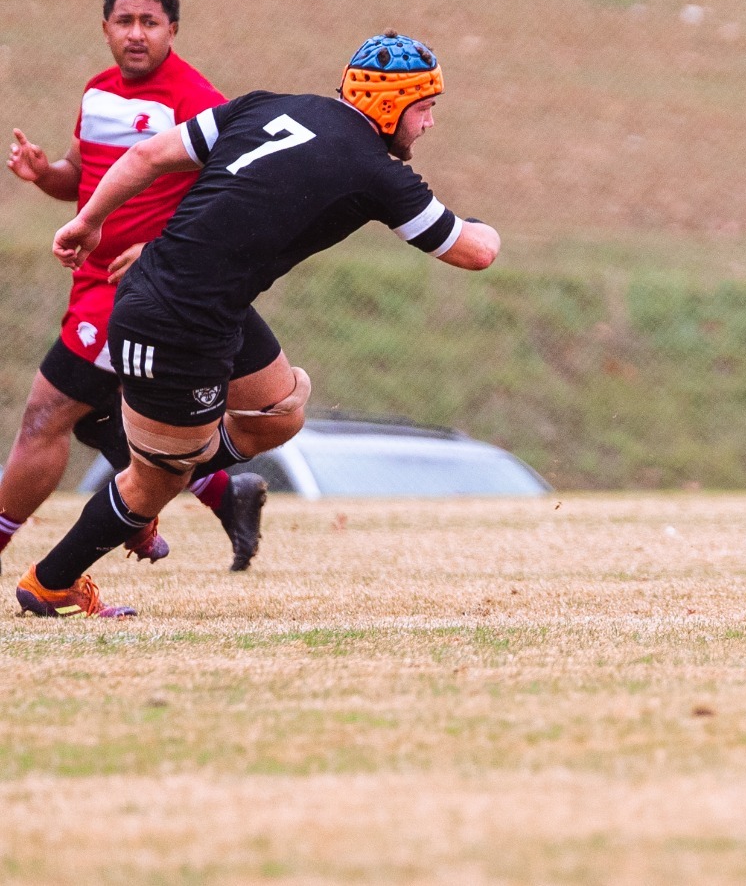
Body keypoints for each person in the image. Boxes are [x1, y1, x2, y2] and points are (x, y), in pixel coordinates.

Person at [16, 33, 501, 619]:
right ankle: (51, 581)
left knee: (280, 410)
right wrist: (486, 226)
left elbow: (147, 156)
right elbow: (475, 252)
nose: (428, 124)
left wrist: (89, 220)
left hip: (207, 306)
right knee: (152, 484)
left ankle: (147, 464)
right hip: (175, 322)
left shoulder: (266, 105)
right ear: (390, 104)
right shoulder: (376, 172)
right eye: (425, 108)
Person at [2, 0, 266, 576]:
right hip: (89, 284)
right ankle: (223, 494)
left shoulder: (195, 99)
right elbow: (81, 178)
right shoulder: (97, 92)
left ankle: (45, 545)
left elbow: (234, 195)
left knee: (46, 415)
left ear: (173, 30)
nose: (137, 34)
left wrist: (157, 248)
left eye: (150, 22)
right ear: (106, 29)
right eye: (125, 21)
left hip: (137, 291)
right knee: (103, 419)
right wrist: (45, 174)